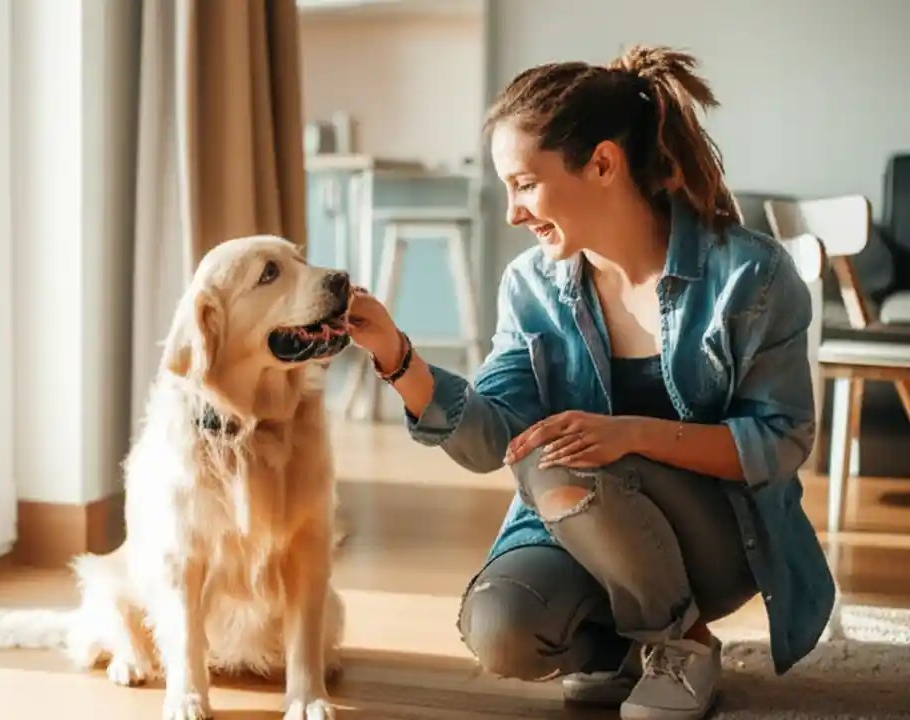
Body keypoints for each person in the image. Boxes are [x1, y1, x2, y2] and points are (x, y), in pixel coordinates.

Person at [344, 45, 835, 720]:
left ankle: (683, 642)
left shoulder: (749, 276)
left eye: (524, 183)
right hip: (583, 523)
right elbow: (494, 437)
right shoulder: (531, 285)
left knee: (556, 456)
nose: (513, 212)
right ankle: (622, 649)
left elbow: (779, 444)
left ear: (602, 163)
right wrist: (398, 358)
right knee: (502, 629)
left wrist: (629, 434)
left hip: (717, 539)